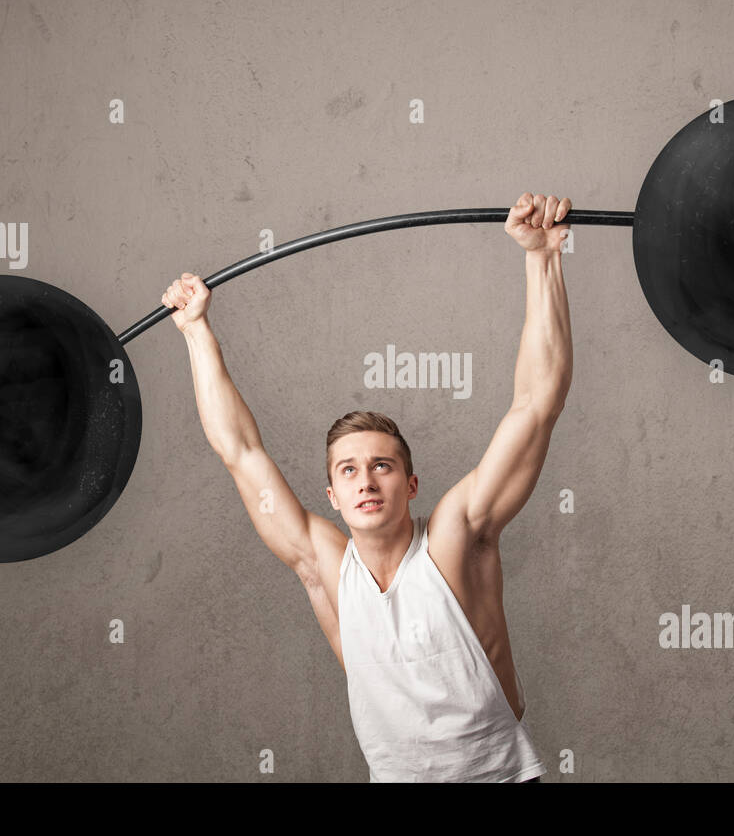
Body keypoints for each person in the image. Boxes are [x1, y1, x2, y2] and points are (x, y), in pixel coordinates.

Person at [162, 192, 572, 782]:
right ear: (332, 496)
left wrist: (542, 259)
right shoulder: (325, 565)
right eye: (348, 470)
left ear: (410, 485)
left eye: (382, 466)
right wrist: (196, 330)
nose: (365, 480)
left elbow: (536, 406)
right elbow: (241, 453)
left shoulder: (457, 538)